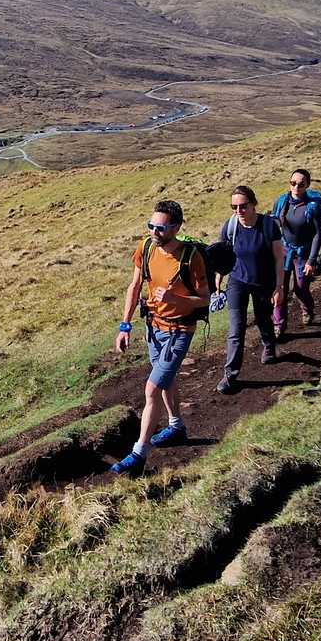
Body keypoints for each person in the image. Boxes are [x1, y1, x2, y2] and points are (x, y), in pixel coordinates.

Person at [111, 199, 213, 475]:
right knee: (166, 381)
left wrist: (174, 297)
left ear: (176, 227)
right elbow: (134, 286)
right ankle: (177, 426)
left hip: (180, 330)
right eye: (151, 226)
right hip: (154, 327)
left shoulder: (191, 258)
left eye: (161, 227)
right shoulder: (145, 248)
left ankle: (138, 454)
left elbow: (204, 300)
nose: (155, 231)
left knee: (152, 389)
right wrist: (125, 325)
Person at [215, 186, 284, 393]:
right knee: (236, 328)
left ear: (253, 204)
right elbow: (223, 255)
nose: (239, 211)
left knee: (263, 318)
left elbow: (279, 258)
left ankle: (269, 345)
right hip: (237, 282)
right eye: (234, 206)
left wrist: (279, 286)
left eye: (243, 206)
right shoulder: (230, 226)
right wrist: (219, 276)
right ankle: (230, 375)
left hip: (264, 281)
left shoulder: (268, 225)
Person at [272, 168, 321, 338]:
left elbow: (318, 234)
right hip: (284, 250)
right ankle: (278, 325)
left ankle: (307, 309)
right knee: (279, 287)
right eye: (293, 183)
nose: (296, 187)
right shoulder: (282, 202)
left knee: (301, 287)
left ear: (307, 185)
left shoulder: (313, 207)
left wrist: (312, 260)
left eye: (301, 184)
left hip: (304, 252)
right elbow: (274, 224)